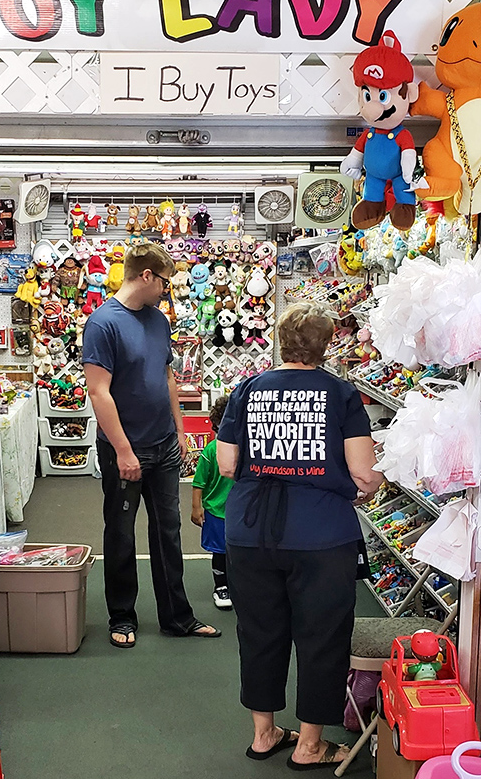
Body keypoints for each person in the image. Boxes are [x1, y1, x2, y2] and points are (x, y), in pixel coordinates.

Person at [216, 302, 383, 770]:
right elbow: (364, 473)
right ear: (325, 345)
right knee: (322, 637)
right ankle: (310, 745)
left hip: (250, 531)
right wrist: (366, 485)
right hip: (320, 534)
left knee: (258, 632)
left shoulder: (247, 389)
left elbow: (227, 464)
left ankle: (264, 733)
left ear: (281, 340)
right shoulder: (341, 394)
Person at [82, 243, 220, 649]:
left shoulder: (159, 320)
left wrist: (179, 430)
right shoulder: (103, 324)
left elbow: (167, 377)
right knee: (121, 534)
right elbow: (98, 391)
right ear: (146, 276)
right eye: (164, 282)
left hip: (163, 445)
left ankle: (177, 617)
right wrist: (124, 450)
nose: (166, 290)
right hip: (124, 449)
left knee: (168, 532)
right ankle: (122, 616)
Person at [191, 395, 234, 609]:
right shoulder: (210, 451)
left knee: (242, 550)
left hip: (242, 512)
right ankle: (221, 586)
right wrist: (196, 507)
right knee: (220, 551)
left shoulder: (246, 448)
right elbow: (198, 482)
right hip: (216, 512)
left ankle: (239, 585)